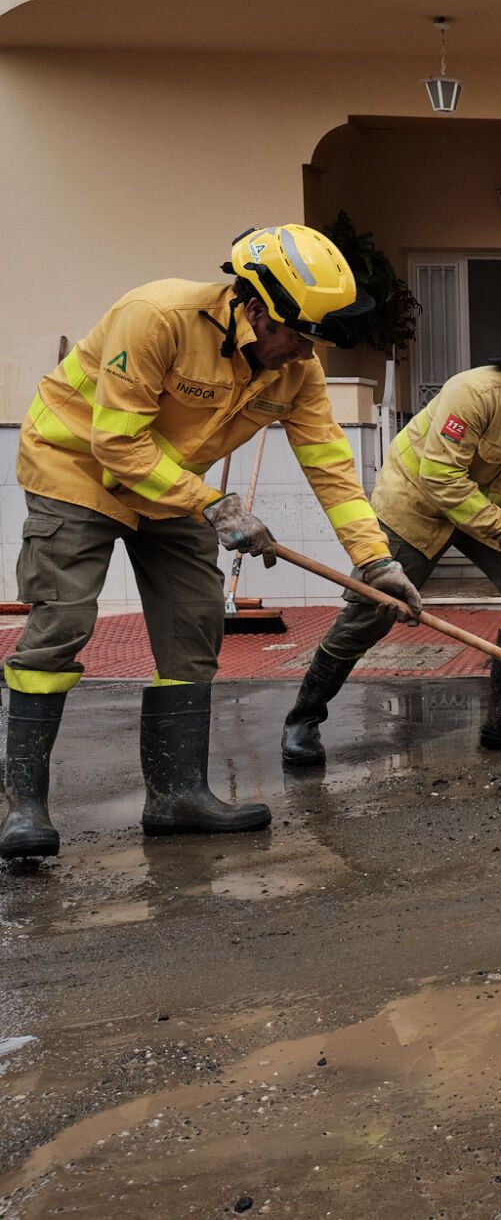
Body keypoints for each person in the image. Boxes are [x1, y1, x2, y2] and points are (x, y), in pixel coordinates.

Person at [2, 226, 423, 860]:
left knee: (195, 625)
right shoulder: (156, 318)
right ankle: (24, 806)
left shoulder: (297, 366)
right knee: (61, 622)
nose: (306, 355)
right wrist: (213, 504)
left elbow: (330, 464)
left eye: (314, 341)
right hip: (76, 471)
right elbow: (116, 445)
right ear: (255, 308)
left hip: (170, 488)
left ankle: (176, 797)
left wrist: (375, 560)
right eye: (297, 337)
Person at [280, 317, 501, 765]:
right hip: (416, 502)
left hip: (490, 507)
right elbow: (439, 476)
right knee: (372, 610)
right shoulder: (475, 393)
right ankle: (303, 720)